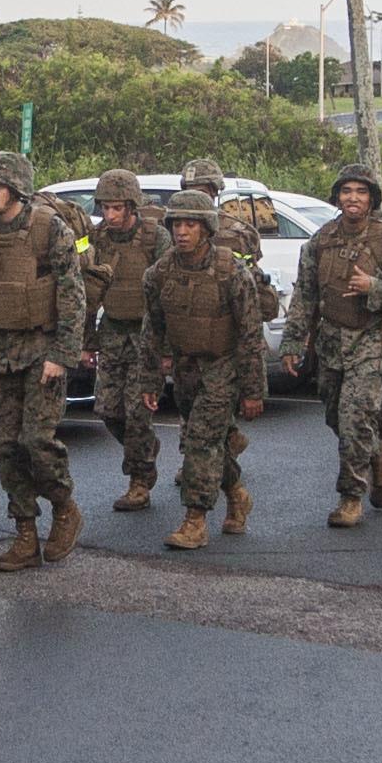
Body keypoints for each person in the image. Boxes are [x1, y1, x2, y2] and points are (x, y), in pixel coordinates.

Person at [0, 151, 90, 569]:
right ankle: (25, 533)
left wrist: (63, 355)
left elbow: (72, 294)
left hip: (41, 350)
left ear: (16, 189)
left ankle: (64, 507)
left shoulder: (49, 229)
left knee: (37, 441)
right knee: (8, 448)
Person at [284, 168, 382, 523]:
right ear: (337, 197)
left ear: (371, 198)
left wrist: (375, 287)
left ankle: (350, 497)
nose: (353, 198)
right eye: (346, 191)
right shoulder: (320, 240)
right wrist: (293, 341)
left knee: (355, 419)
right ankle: (378, 456)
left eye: (360, 191)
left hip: (373, 343)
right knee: (335, 417)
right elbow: (305, 295)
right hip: (331, 345)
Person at [145, 188, 270, 551]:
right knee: (214, 442)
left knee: (199, 440)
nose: (182, 232)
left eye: (190, 224)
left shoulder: (231, 270)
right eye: (176, 224)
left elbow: (249, 333)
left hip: (224, 366)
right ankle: (236, 492)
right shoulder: (160, 272)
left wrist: (252, 390)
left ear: (206, 228)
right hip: (185, 369)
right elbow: (151, 331)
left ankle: (195, 520)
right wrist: (151, 380)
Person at [81, 167, 166, 513]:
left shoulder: (155, 237)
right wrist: (88, 341)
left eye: (118, 208)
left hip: (147, 335)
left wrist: (167, 349)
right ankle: (145, 449)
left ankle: (139, 479)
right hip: (113, 331)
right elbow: (85, 292)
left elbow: (168, 294)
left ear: (132, 206)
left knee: (136, 413)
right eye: (105, 208)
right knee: (107, 410)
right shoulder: (95, 239)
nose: (111, 215)